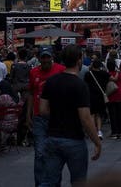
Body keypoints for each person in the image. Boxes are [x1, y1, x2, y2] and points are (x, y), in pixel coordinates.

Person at [39, 43, 101, 187]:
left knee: (49, 181)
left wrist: (58, 113)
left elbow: (42, 110)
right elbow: (85, 118)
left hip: (53, 138)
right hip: (74, 139)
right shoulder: (80, 85)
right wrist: (97, 141)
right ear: (79, 60)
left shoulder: (51, 81)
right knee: (78, 182)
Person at [27, 46, 65, 187]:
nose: (45, 60)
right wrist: (28, 114)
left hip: (56, 118)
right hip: (39, 118)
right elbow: (31, 94)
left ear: (52, 57)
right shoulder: (33, 72)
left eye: (47, 57)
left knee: (56, 152)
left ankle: (55, 183)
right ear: (39, 58)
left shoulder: (60, 70)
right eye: (43, 57)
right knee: (40, 152)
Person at [84, 54, 109, 139]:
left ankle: (92, 130)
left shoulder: (88, 74)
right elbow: (111, 78)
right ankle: (99, 131)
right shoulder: (104, 73)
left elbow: (85, 84)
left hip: (91, 96)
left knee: (92, 114)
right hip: (100, 96)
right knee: (98, 114)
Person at [106, 57, 121, 139]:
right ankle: (120, 132)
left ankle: (114, 132)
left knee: (112, 114)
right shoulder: (120, 74)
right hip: (120, 95)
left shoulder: (107, 74)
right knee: (119, 114)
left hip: (111, 95)